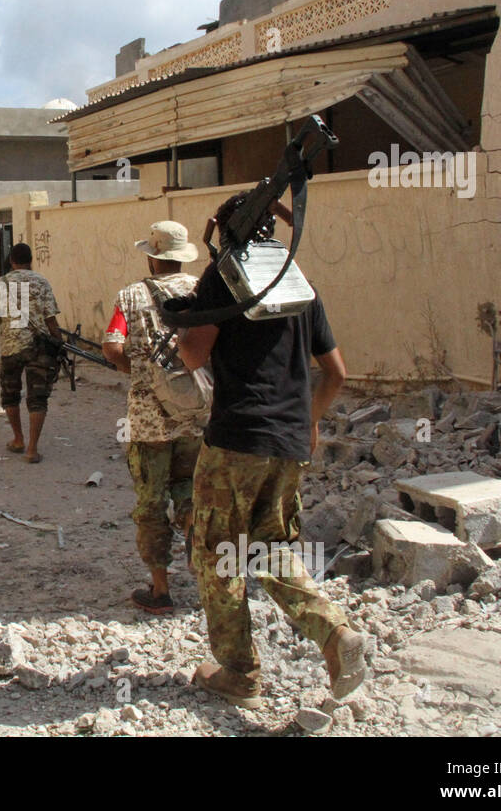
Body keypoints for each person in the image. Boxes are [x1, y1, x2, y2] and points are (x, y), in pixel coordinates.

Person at [166, 192, 364, 708]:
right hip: (291, 439)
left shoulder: (222, 279)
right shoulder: (299, 284)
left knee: (217, 553)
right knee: (268, 546)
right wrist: (311, 422)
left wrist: (187, 321)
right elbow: (337, 373)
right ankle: (335, 634)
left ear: (224, 232)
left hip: (236, 438)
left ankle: (238, 672)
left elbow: (192, 354)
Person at [101, 221, 206, 615]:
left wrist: (138, 369)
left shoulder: (131, 295)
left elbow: (111, 346)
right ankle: (202, 566)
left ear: (152, 256)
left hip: (148, 420)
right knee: (190, 491)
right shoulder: (202, 292)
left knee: (150, 501)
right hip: (196, 412)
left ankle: (160, 590)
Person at [0, 242, 61, 464]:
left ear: (11, 261)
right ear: (31, 260)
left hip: (11, 347)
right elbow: (50, 318)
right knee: (38, 399)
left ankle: (18, 439)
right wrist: (59, 343)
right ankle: (32, 450)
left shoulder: (1, 284)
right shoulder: (41, 282)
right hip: (39, 347)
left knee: (10, 394)